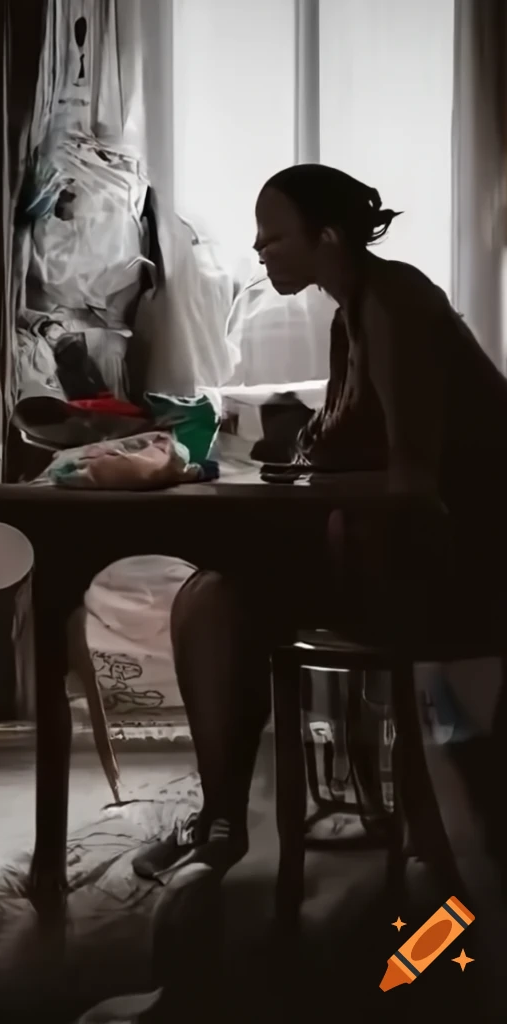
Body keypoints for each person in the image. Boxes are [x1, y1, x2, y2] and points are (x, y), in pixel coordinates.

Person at [133, 163, 507, 882]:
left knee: (219, 602)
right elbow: (340, 446)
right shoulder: (351, 313)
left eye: (272, 238)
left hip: (455, 571)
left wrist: (303, 471)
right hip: (400, 552)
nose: (260, 252)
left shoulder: (394, 302)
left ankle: (221, 824)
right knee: (210, 593)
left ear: (327, 236)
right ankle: (220, 818)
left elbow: (414, 479)